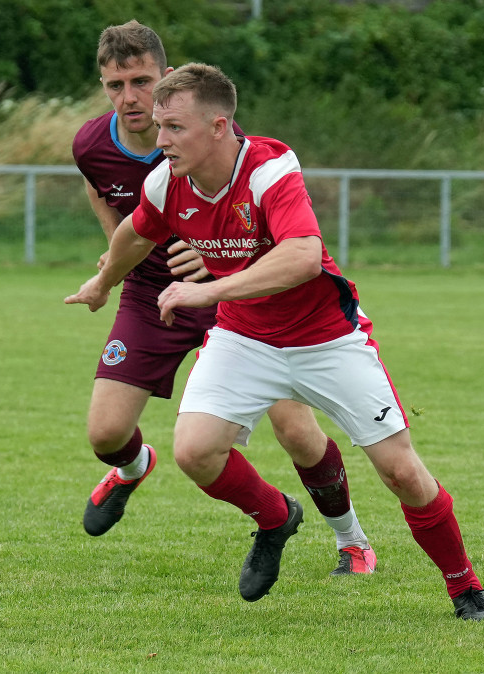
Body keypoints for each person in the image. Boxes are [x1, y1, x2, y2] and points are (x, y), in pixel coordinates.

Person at [65, 62, 484, 620]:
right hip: (244, 337)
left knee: (401, 472)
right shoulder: (166, 182)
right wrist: (103, 282)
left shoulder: (269, 169)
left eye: (174, 127)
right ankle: (276, 518)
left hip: (326, 337)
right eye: (159, 126)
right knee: (194, 452)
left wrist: (208, 290)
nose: (161, 140)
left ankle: (466, 589)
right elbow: (134, 232)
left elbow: (302, 257)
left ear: (219, 127)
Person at [71, 21, 377, 577]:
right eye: (116, 86)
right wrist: (111, 268)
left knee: (296, 431)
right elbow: (104, 194)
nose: (130, 98)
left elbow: (261, 222)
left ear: (166, 78)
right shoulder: (91, 144)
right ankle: (134, 468)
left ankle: (350, 539)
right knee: (105, 433)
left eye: (142, 82)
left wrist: (212, 257)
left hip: (236, 296)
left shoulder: (213, 135)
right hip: (152, 296)